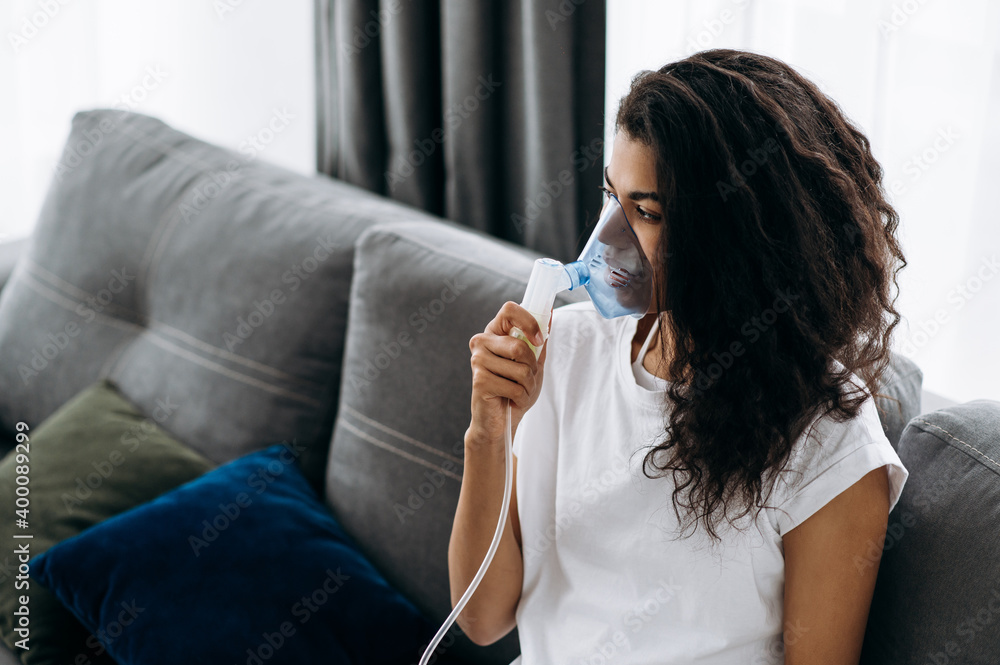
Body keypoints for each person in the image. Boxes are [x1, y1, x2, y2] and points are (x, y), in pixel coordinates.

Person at [448, 48, 909, 665]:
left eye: (647, 212)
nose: (608, 238)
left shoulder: (830, 439)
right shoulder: (564, 351)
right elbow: (480, 619)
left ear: (740, 233)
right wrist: (489, 432)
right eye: (612, 197)